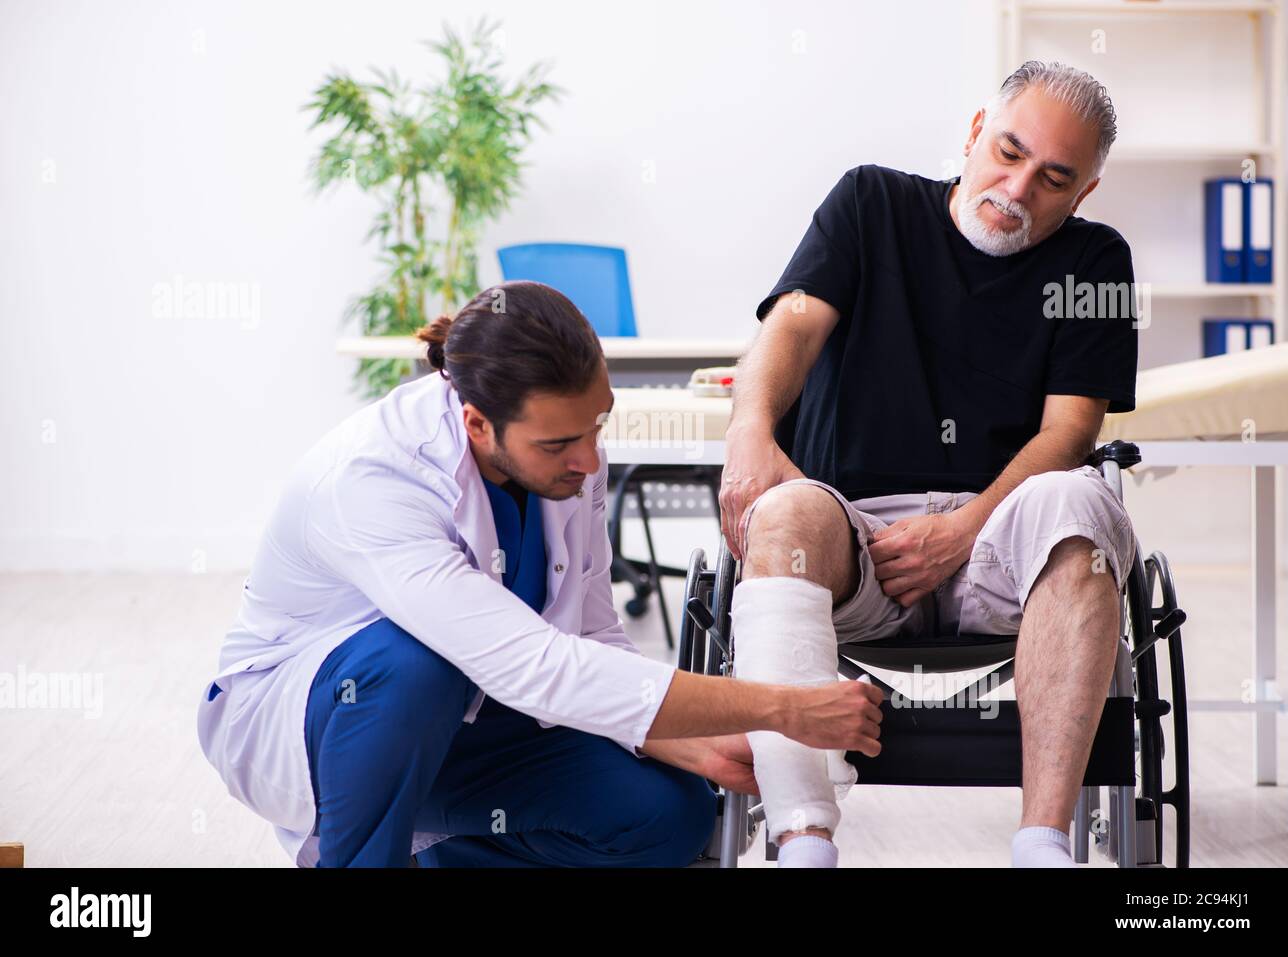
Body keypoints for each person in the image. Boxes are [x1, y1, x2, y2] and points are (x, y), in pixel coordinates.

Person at [197, 280, 882, 867]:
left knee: (668, 815)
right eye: (559, 443)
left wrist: (694, 745)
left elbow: (592, 636)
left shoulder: (568, 455)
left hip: (474, 722)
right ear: (476, 423)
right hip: (331, 722)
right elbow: (537, 664)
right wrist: (783, 706)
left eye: (597, 426)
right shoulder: (372, 477)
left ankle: (428, 850)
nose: (588, 461)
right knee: (413, 666)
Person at [720, 61, 1140, 868]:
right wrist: (749, 426)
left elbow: (1070, 430)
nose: (1017, 189)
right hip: (858, 537)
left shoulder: (1097, 262)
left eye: (1054, 178)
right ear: (976, 129)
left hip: (1002, 541)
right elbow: (794, 326)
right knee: (786, 515)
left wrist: (959, 531)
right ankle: (802, 835)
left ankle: (1043, 842)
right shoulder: (870, 203)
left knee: (1081, 505)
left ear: (1084, 192)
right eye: (1009, 152)